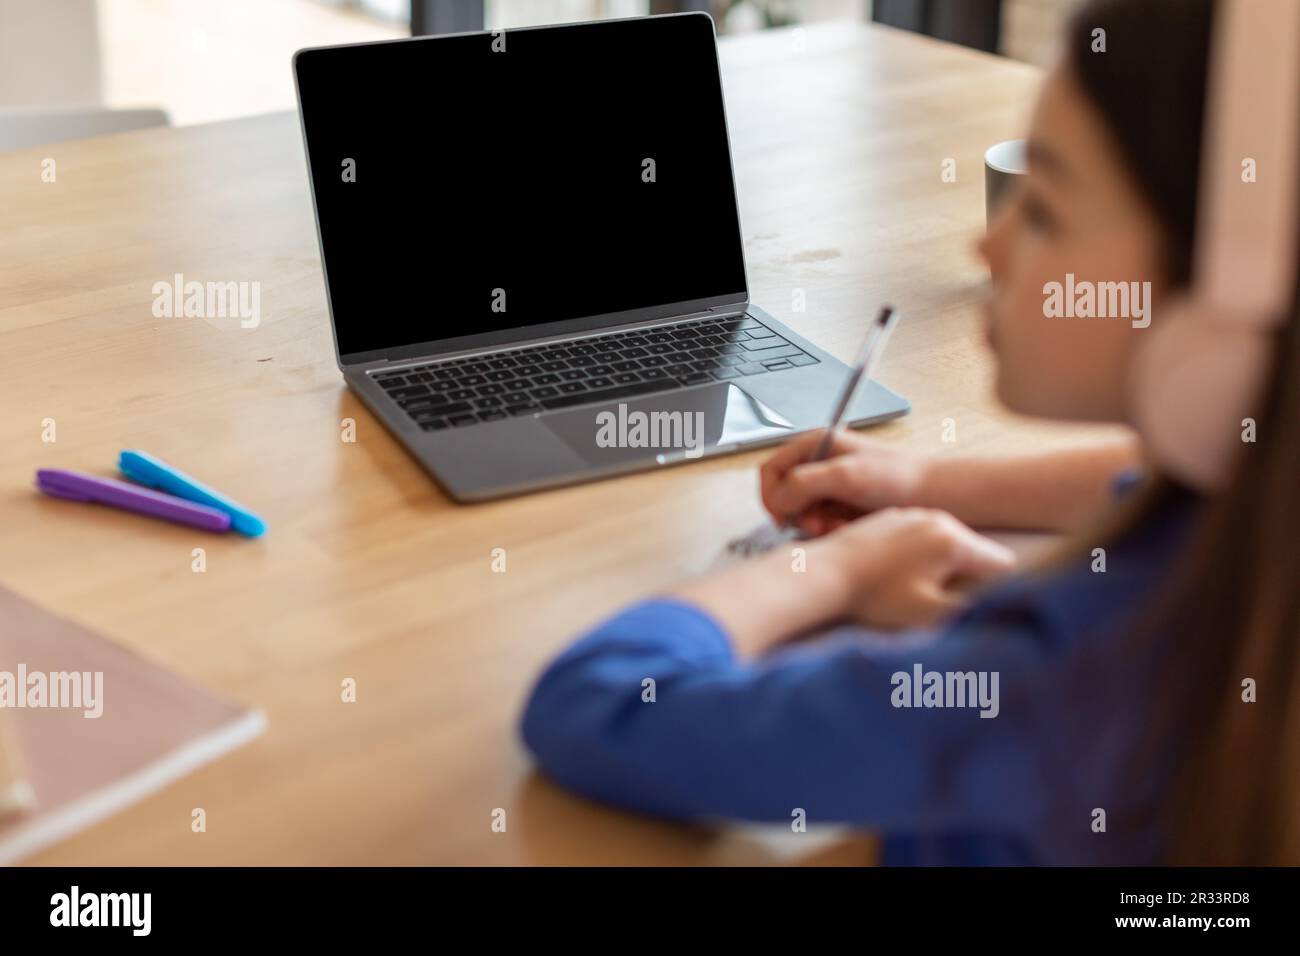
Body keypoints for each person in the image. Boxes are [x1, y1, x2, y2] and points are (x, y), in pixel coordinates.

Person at [521, 0, 1299, 864]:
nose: (988, 243)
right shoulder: (1261, 513)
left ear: (1226, 325)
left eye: (1043, 209)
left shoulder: (1044, 684)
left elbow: (601, 708)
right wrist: (925, 487)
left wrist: (838, 567)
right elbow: (1154, 466)